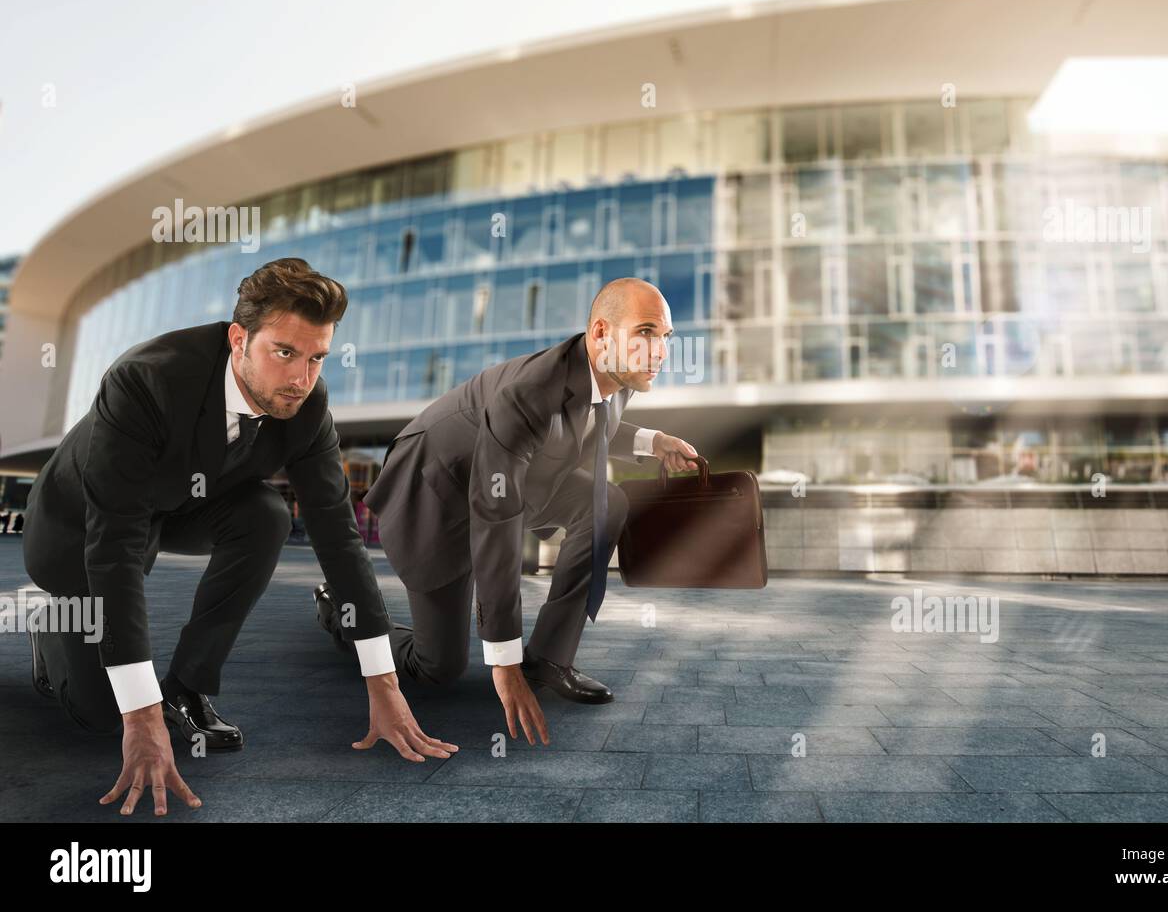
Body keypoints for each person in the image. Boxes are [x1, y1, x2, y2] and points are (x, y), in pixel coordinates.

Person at [23, 257, 456, 817]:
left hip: (178, 504)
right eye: (284, 352)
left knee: (267, 514)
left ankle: (187, 686)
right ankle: (49, 631)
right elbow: (115, 544)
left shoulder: (307, 406)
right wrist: (141, 714)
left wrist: (384, 682)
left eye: (317, 358)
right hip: (76, 524)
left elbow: (338, 535)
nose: (302, 378)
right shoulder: (146, 380)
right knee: (102, 714)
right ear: (238, 339)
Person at [343, 278, 698, 746]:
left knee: (607, 502)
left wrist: (655, 442)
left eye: (666, 338)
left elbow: (589, 422)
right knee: (437, 667)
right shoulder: (531, 390)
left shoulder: (615, 376)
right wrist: (503, 663)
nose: (659, 352)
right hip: (436, 492)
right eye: (647, 332)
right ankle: (343, 617)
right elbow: (496, 519)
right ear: (601, 333)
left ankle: (549, 659)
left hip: (513, 475)